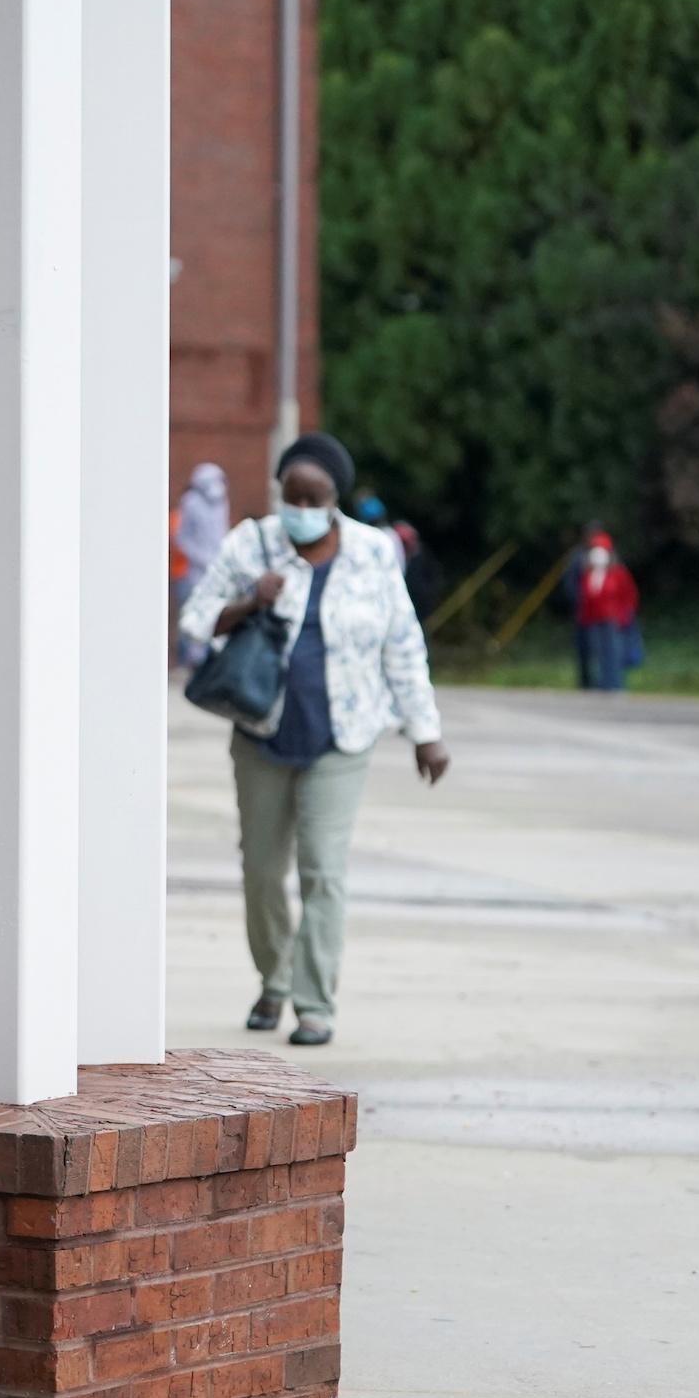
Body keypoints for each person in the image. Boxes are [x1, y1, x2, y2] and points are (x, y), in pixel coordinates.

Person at [178, 432, 447, 1049]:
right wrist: (251, 600)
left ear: (334, 498)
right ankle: (274, 982)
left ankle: (314, 1002)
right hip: (262, 732)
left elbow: (402, 641)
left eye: (314, 496)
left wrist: (425, 731)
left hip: (343, 736)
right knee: (263, 872)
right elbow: (195, 620)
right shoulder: (253, 542)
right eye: (291, 494)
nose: (300, 505)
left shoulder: (373, 552)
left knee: (323, 872)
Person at [172, 463, 230, 668]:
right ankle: (189, 660)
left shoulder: (222, 502)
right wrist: (201, 558)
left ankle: (209, 661)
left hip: (217, 568)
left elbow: (222, 532)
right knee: (192, 614)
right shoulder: (190, 502)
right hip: (194, 571)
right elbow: (181, 538)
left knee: (215, 613)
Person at [576, 530, 640, 692]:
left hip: (613, 619)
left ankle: (615, 684)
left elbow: (629, 596)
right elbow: (586, 599)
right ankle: (603, 683)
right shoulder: (588, 574)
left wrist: (625, 615)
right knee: (598, 653)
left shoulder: (618, 573)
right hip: (594, 620)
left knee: (614, 652)